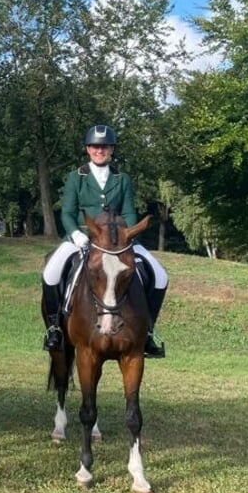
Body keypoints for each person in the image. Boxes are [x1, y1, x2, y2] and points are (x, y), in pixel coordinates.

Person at [40, 124, 168, 358]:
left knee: (160, 275)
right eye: (95, 146)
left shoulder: (122, 178)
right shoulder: (75, 177)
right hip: (82, 236)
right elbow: (67, 212)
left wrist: (125, 235)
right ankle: (55, 328)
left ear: (112, 150)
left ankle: (148, 332)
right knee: (51, 272)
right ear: (88, 149)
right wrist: (76, 234)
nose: (100, 150)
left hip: (119, 239)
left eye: (105, 147)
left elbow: (129, 212)